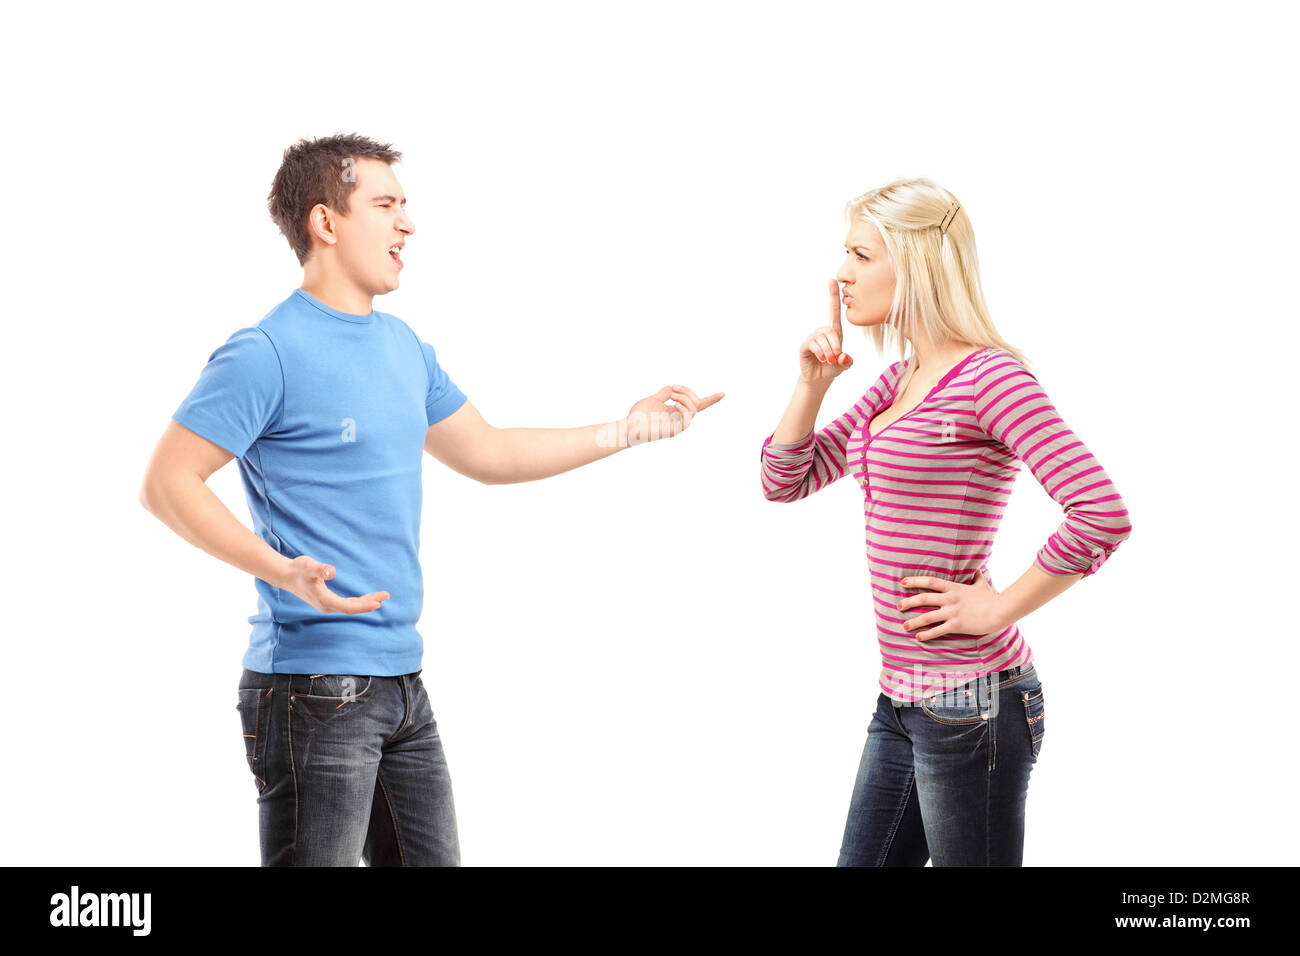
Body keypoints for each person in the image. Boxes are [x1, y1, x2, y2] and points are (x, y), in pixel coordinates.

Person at [138, 132, 723, 866]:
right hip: (312, 688)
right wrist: (280, 569)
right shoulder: (266, 352)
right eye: (385, 205)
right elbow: (167, 482)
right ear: (326, 222)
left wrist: (630, 428)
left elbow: (490, 451)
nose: (407, 225)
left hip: (401, 683)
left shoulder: (405, 348)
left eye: (405, 207)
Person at [758, 176, 1131, 866]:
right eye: (845, 253)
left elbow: (1100, 513)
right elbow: (786, 479)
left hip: (973, 703)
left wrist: (997, 610)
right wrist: (811, 384)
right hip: (900, 701)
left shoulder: (991, 378)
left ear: (918, 263)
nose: (840, 273)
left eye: (861, 255)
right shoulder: (897, 382)